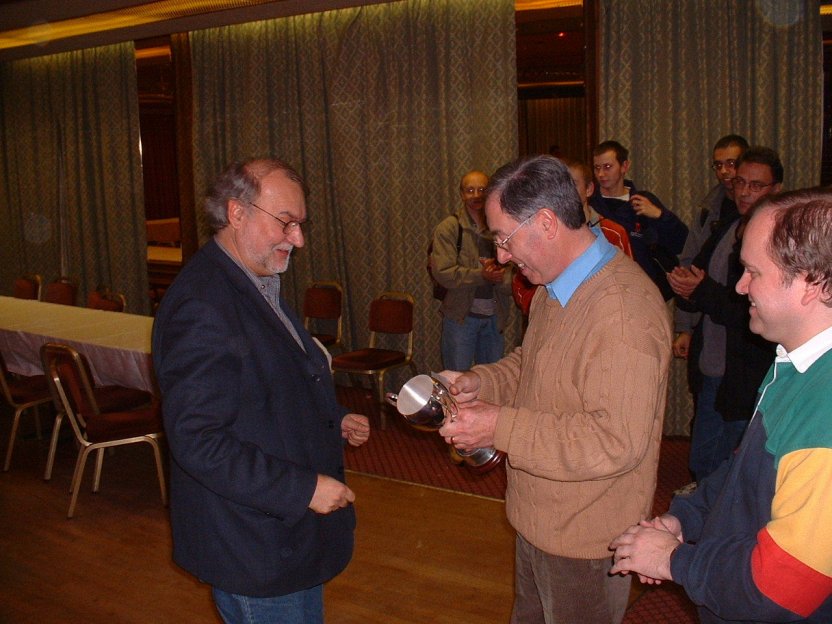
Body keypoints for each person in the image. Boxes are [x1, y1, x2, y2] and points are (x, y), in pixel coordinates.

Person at [439, 155, 672, 624]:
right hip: (540, 520)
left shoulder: (623, 313)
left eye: (504, 238)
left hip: (585, 541)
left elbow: (614, 442)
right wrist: (477, 382)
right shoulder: (554, 287)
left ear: (546, 223)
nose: (501, 256)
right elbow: (533, 362)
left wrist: (497, 426)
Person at [152, 158, 370, 624]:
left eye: (300, 225)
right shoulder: (202, 304)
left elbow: (270, 380)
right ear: (237, 212)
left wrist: (333, 414)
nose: (299, 239)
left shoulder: (255, 280)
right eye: (287, 223)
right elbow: (197, 439)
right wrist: (304, 488)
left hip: (284, 535)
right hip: (252, 541)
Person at [610, 188, 832, 624]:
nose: (739, 285)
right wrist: (685, 520)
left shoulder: (824, 412)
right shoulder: (794, 362)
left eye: (752, 271)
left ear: (809, 282)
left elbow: (782, 588)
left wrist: (674, 561)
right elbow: (744, 476)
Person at [670, 142, 785, 483]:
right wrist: (686, 291)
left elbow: (753, 310)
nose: (745, 192)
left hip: (746, 371)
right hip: (713, 366)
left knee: (730, 471)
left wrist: (700, 290)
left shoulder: (777, 235)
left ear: (775, 189)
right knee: (704, 460)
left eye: (756, 185)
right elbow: (700, 274)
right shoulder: (728, 224)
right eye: (740, 183)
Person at [511, 158, 633, 317]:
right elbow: (522, 281)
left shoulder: (613, 232)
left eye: (573, 184)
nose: (565, 191)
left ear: (589, 189)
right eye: (559, 185)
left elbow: (626, 282)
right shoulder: (543, 231)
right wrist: (540, 311)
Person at [430, 170, 512, 370]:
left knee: (491, 384)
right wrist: (481, 275)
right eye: (470, 190)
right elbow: (442, 272)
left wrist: (499, 278)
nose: (476, 195)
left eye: (482, 189)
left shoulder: (503, 226)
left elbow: (514, 272)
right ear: (461, 194)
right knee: (455, 383)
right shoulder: (449, 228)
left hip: (494, 318)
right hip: (460, 319)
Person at [590, 140, 688, 300]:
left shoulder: (643, 201)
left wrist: (659, 215)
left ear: (624, 166)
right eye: (597, 168)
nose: (601, 174)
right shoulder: (590, 205)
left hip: (645, 293)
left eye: (607, 167)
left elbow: (682, 243)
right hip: (602, 292)